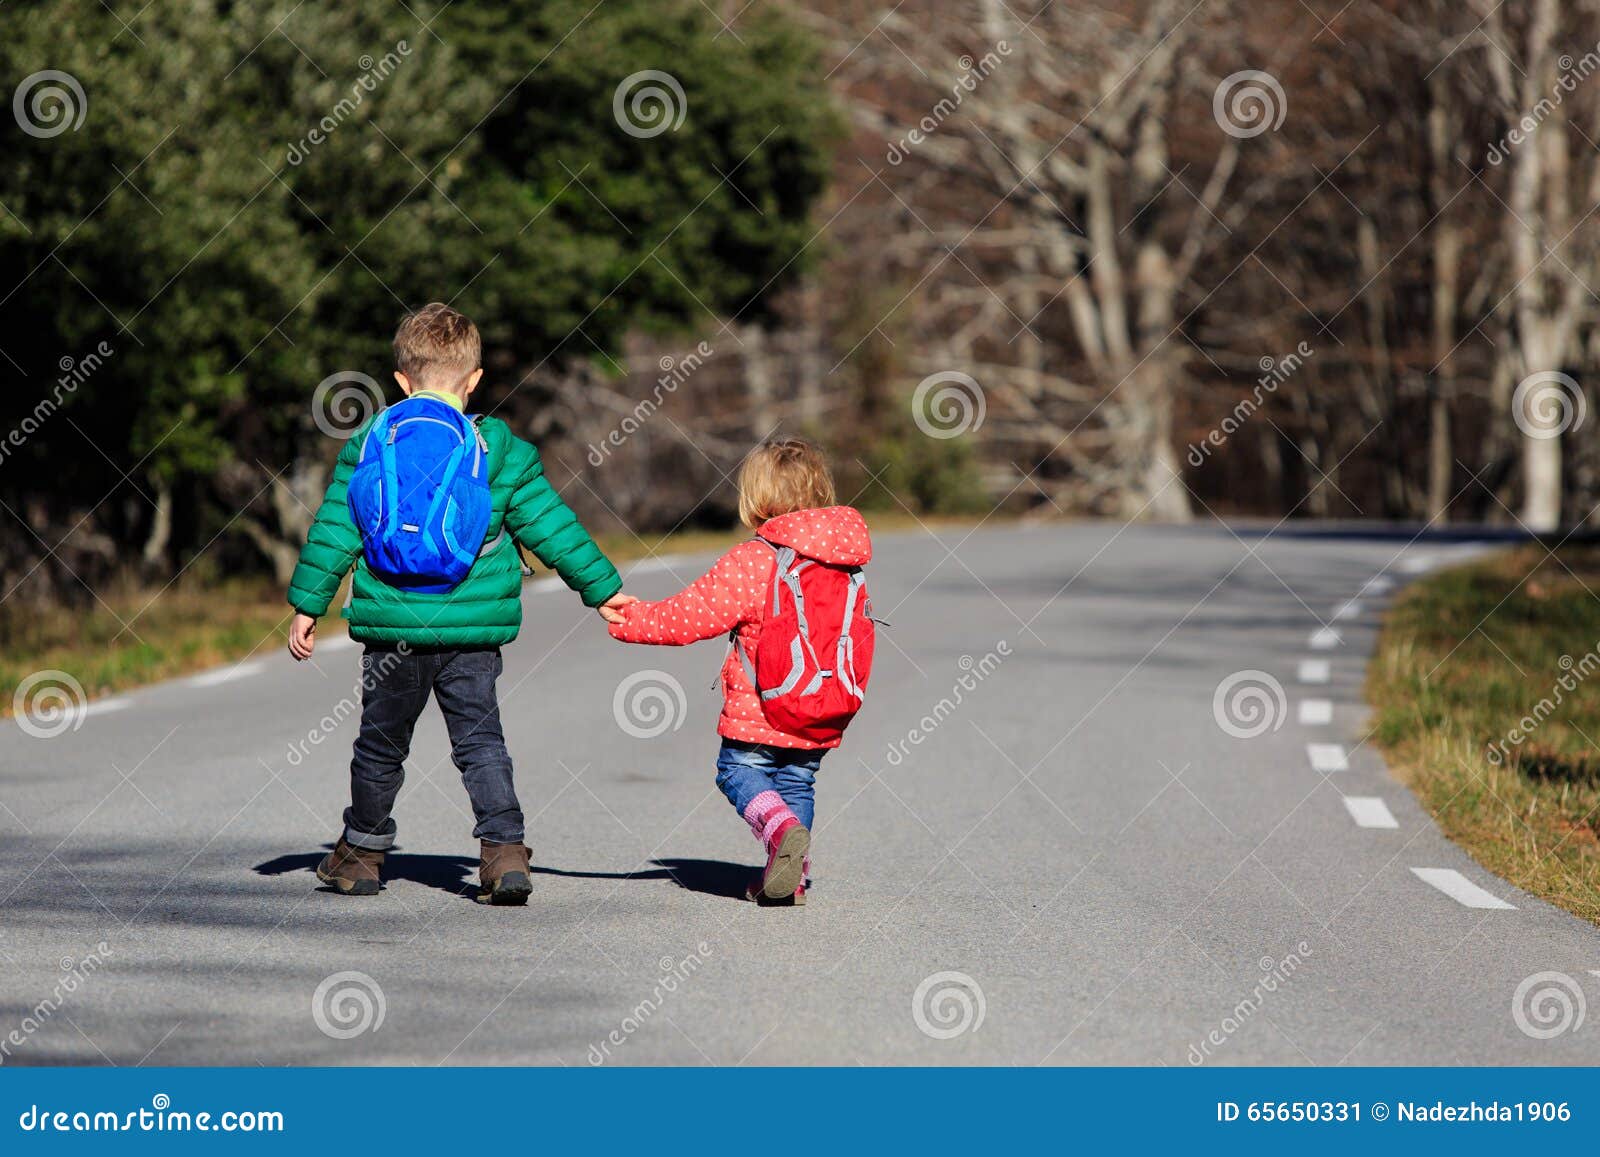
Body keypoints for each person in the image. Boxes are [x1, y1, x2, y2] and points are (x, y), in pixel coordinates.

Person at [285, 302, 631, 905]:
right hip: (472, 634)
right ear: (473, 381)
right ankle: (504, 854)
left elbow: (336, 530)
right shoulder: (499, 449)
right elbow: (552, 527)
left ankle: (362, 854)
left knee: (380, 744)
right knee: (480, 743)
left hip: (394, 631)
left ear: (400, 380)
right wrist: (601, 589)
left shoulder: (370, 441)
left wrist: (308, 605)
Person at [607, 438, 873, 905]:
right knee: (797, 781)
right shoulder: (846, 563)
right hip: (822, 705)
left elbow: (690, 617)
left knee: (736, 771)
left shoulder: (757, 557)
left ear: (756, 498)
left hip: (762, 709)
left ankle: (780, 833)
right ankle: (792, 877)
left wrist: (631, 620)